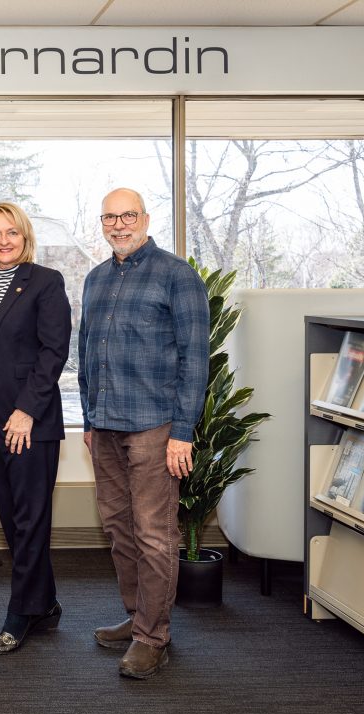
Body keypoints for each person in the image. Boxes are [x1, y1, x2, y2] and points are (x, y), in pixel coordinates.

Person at [79, 187, 210, 679]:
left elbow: (194, 360)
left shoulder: (177, 276)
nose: (119, 224)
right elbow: (85, 354)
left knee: (155, 534)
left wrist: (183, 432)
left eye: (127, 215)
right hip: (106, 427)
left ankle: (154, 637)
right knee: (119, 529)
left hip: (157, 426)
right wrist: (90, 419)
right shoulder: (94, 280)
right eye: (110, 216)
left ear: (146, 218)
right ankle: (138, 618)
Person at [0, 201, 72, 655]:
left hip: (28, 422)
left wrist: (26, 411)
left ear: (25, 237)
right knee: (14, 517)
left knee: (29, 519)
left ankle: (18, 613)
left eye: (12, 233)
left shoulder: (45, 282)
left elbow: (52, 352)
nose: (3, 241)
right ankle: (44, 604)